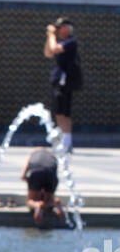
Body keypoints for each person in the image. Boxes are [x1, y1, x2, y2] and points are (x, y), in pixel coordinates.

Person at [44, 16, 79, 154]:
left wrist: (52, 35)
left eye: (60, 27)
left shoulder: (71, 42)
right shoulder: (60, 41)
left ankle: (67, 142)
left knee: (65, 112)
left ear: (66, 28)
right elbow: (48, 52)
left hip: (65, 82)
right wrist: (50, 36)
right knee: (58, 111)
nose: (58, 30)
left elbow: (54, 49)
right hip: (58, 81)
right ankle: (63, 139)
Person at [21, 147, 64, 227]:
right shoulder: (52, 156)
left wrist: (31, 184)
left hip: (36, 173)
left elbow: (22, 176)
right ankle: (54, 202)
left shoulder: (32, 154)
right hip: (51, 175)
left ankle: (37, 205)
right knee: (49, 199)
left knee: (30, 201)